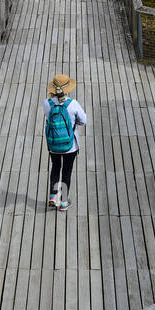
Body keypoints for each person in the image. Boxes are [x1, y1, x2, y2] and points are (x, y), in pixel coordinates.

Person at [42, 73, 87, 211]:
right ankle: (64, 202)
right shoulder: (73, 104)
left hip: (54, 144)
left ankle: (53, 196)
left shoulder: (47, 103)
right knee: (66, 172)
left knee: (56, 168)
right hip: (70, 146)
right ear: (67, 88)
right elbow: (83, 120)